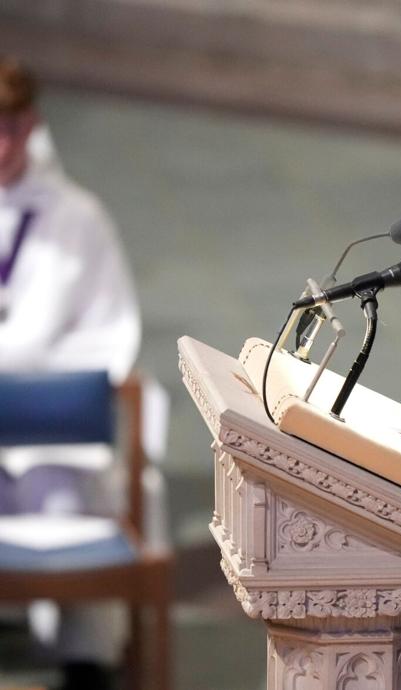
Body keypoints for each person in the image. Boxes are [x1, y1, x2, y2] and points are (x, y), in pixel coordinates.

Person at [0, 57, 140, 690]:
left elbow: (111, 336)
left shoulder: (78, 218)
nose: (1, 147)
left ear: (31, 125)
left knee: (62, 507)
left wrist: (27, 380)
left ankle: (84, 666)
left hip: (50, 442)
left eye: (10, 128)